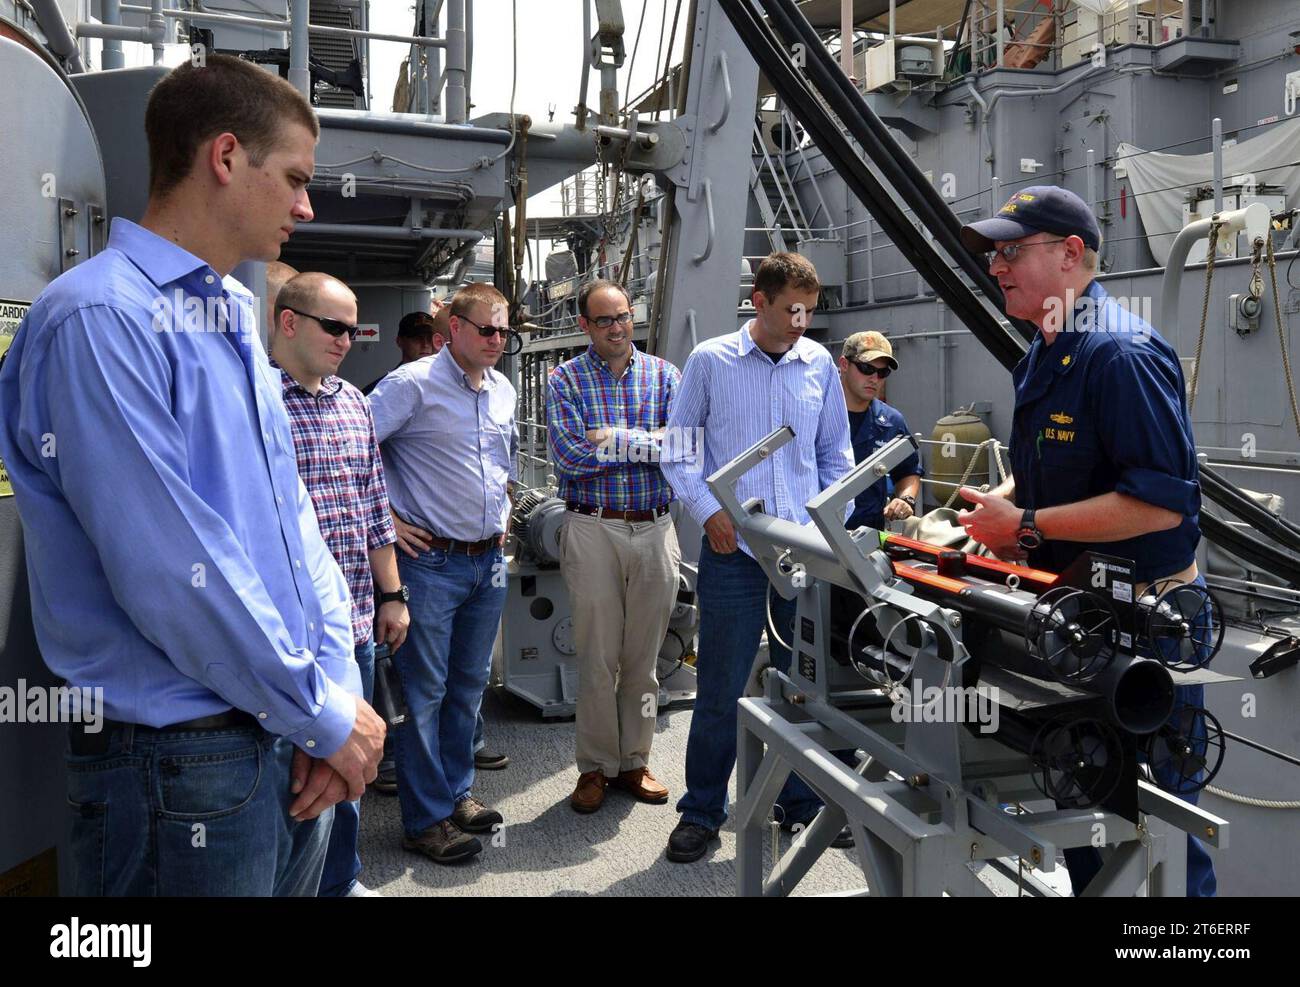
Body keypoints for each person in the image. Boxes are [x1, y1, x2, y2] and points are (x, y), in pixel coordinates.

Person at [0, 55, 384, 896]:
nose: (306, 205)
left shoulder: (232, 322)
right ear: (223, 157)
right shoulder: (99, 319)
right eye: (292, 178)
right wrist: (323, 714)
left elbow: (296, 527)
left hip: (273, 731)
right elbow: (171, 568)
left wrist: (335, 696)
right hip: (176, 762)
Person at [955, 184, 1215, 896]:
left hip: (1147, 626)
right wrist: (997, 511)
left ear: (1072, 255)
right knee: (1083, 800)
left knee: (1163, 832)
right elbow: (1053, 473)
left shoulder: (1119, 354)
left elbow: (1159, 506)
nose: (996, 267)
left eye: (1012, 250)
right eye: (993, 255)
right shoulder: (1046, 349)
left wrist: (1029, 526)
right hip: (1079, 619)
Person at [659, 252, 855, 863]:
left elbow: (835, 459)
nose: (802, 321)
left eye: (810, 311)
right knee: (720, 686)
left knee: (803, 688)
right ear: (760, 301)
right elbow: (679, 451)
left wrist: (827, 532)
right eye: (792, 309)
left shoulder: (819, 363)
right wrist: (710, 513)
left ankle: (801, 806)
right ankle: (701, 812)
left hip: (801, 557)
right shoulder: (711, 361)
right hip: (735, 554)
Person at [271, 271, 411, 897]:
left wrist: (392, 594)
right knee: (294, 772)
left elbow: (372, 506)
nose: (347, 341)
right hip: (286, 633)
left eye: (353, 330)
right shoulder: (258, 400)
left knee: (349, 762)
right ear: (288, 321)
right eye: (334, 326)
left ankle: (342, 881)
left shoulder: (353, 401)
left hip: (353, 620)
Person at [369, 282, 517, 864]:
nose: (498, 341)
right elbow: (352, 449)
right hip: (429, 563)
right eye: (487, 329)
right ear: (453, 328)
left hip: (486, 561)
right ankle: (425, 819)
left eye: (506, 331)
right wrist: (384, 518)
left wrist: (501, 512)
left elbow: (498, 463)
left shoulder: (503, 389)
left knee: (468, 686)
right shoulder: (410, 384)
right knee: (424, 694)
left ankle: (456, 793)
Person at [546, 279, 682, 813]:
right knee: (597, 658)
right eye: (604, 320)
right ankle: (595, 767)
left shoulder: (665, 375)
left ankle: (635, 760)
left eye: (623, 316)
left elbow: (686, 447)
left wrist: (612, 439)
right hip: (593, 528)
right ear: (585, 326)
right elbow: (570, 457)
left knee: (644, 660)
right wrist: (648, 444)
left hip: (654, 527)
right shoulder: (566, 380)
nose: (617, 328)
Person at [838, 331, 923, 531]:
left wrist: (905, 499)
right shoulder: (817, 415)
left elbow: (908, 472)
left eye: (882, 372)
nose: (874, 378)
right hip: (816, 533)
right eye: (866, 368)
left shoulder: (891, 421)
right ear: (844, 365)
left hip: (867, 533)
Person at [362, 307, 447, 395]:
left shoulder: (448, 383)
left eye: (430, 338)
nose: (425, 344)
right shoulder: (381, 390)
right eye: (417, 338)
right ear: (400, 341)